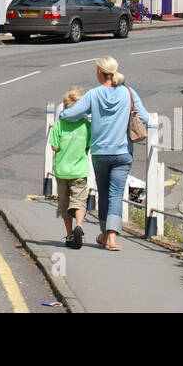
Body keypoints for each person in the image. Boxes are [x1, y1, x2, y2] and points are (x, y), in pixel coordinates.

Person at [61, 55, 149, 251]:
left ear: (100, 73)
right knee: (116, 193)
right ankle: (111, 238)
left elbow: (73, 113)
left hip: (100, 153)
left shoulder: (94, 94)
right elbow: (145, 117)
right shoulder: (129, 93)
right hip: (123, 152)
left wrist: (64, 114)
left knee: (103, 193)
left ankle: (104, 232)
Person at [49, 86, 90, 248]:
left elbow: (54, 147)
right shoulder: (86, 125)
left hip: (62, 170)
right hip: (79, 170)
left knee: (64, 204)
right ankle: (79, 226)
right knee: (79, 201)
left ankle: (69, 235)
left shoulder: (59, 124)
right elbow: (88, 146)